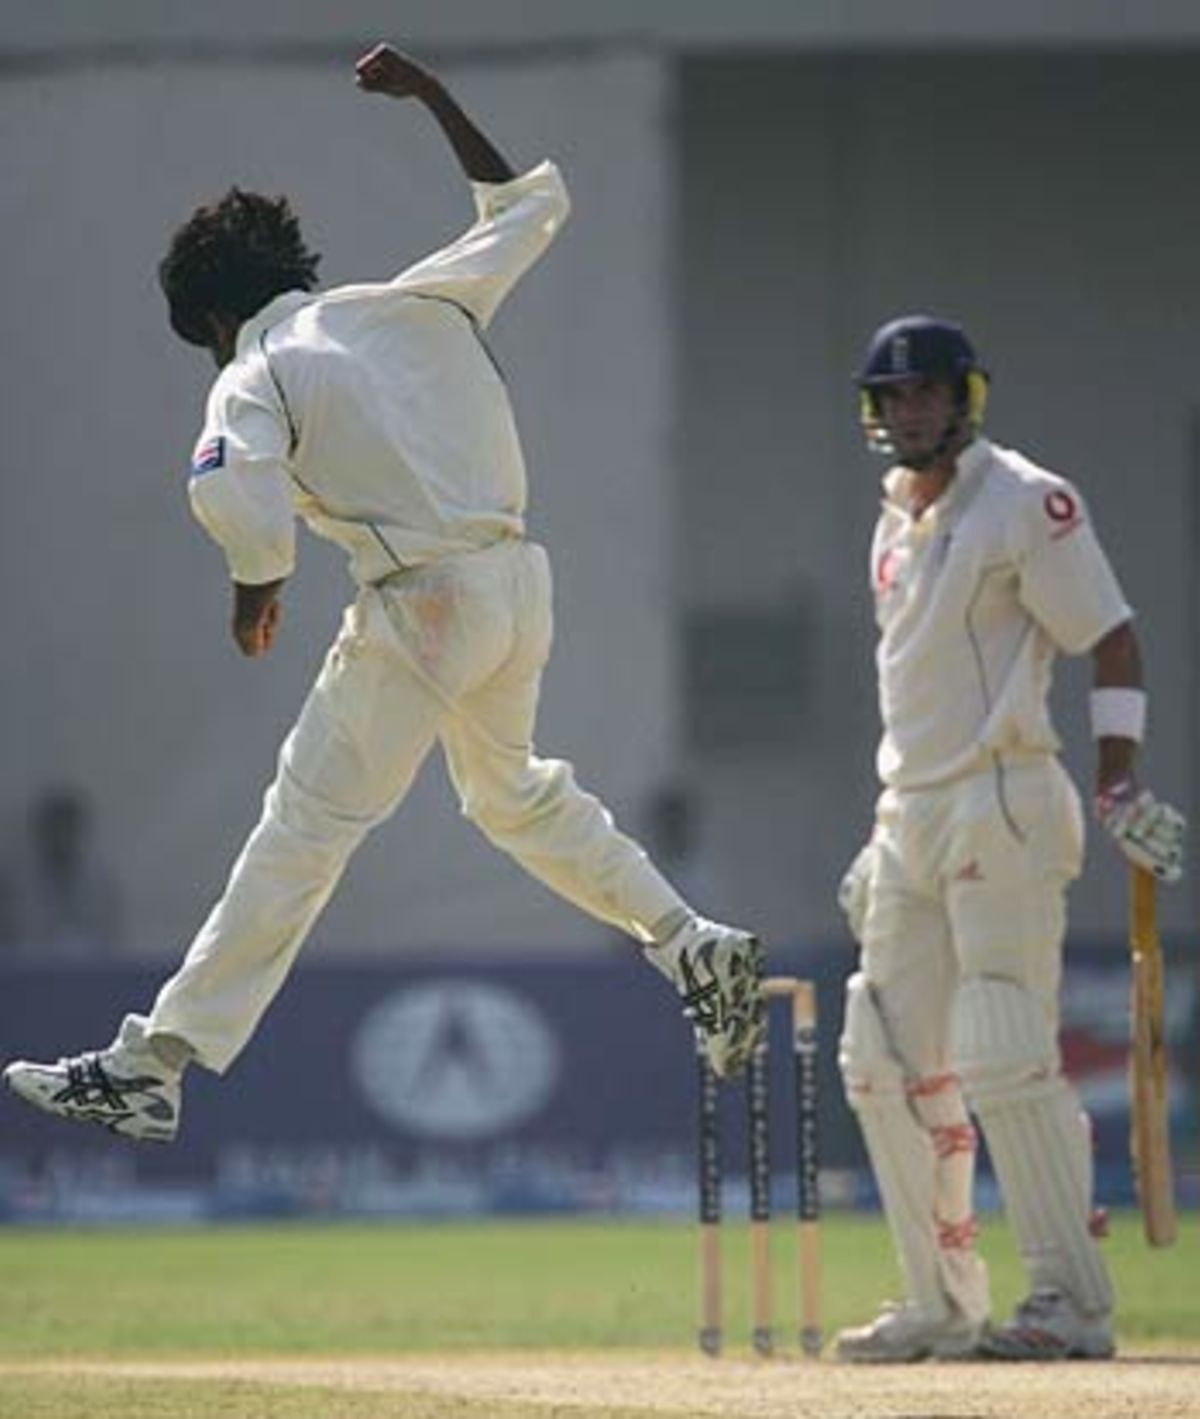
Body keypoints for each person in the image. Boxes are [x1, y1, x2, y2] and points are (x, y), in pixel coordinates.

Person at [3, 43, 764, 1143]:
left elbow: (233, 491)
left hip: (422, 604)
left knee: (301, 832)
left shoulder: (253, 371)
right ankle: (690, 941)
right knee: (512, 796)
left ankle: (152, 1063)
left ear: (215, 319)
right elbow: (527, 210)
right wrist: (435, 97)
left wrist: (254, 591)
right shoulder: (417, 305)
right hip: (515, 586)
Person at [833, 314, 1185, 1363]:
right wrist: (886, 820)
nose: (909, 411)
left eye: (927, 393)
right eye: (892, 397)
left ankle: (1068, 1304)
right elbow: (918, 692)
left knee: (1000, 1048)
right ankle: (938, 1303)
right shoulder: (893, 518)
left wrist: (1118, 781)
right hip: (912, 812)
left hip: (1005, 798)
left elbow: (1111, 637)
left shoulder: (1028, 502)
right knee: (879, 1057)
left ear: (965, 399)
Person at [0, 787, 121, 959]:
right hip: (30, 971)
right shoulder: (18, 881)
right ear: (42, 831)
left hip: (88, 972)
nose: (61, 836)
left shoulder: (99, 880)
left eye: (67, 827)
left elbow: (107, 937)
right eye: (56, 827)